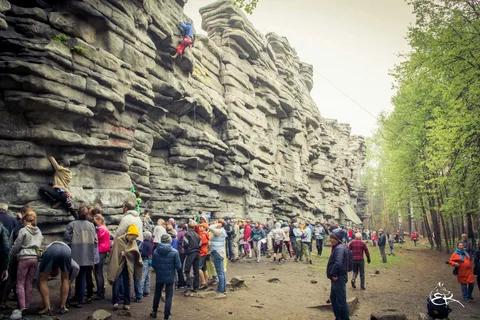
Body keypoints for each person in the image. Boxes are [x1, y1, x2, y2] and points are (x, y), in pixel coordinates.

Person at [9, 210, 43, 318]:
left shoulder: (23, 230)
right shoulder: (39, 231)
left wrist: (11, 255)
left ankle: (22, 307)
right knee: (29, 283)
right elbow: (40, 242)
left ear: (24, 219)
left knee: (20, 283)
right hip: (35, 258)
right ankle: (27, 306)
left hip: (24, 257)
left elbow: (17, 245)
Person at [64, 206, 97, 306]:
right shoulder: (91, 225)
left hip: (74, 254)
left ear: (78, 213)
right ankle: (79, 299)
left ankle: (67, 300)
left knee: (69, 278)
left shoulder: (72, 224)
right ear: (87, 215)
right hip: (87, 255)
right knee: (82, 277)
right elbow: (95, 241)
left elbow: (66, 238)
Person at [108, 224, 143, 310]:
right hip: (118, 264)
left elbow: (135, 254)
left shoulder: (133, 242)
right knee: (116, 281)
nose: (134, 239)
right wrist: (122, 254)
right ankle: (115, 302)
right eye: (133, 236)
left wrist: (127, 253)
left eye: (135, 237)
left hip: (128, 265)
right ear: (128, 234)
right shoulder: (119, 240)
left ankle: (126, 303)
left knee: (127, 283)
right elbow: (114, 254)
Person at [38, 241, 78, 315]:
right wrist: (70, 281)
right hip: (66, 251)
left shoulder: (46, 252)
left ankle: (47, 308)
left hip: (52, 251)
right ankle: (63, 307)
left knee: (42, 280)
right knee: (65, 279)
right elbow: (76, 267)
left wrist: (42, 278)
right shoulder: (68, 255)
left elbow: (39, 275)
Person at [150, 234, 182, 320]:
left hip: (159, 276)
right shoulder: (175, 252)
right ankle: (166, 316)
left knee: (157, 294)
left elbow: (153, 265)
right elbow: (178, 266)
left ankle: (154, 312)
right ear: (169, 240)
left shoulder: (156, 251)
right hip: (170, 277)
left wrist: (159, 270)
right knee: (169, 296)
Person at [327, 228, 350, 320]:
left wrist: (333, 274)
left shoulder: (339, 248)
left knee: (340, 300)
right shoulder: (338, 247)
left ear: (338, 239)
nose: (331, 240)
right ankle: (338, 317)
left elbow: (338, 262)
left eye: (333, 238)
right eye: (331, 237)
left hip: (338, 277)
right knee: (334, 298)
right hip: (337, 277)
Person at [93, 213, 110, 300]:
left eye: (95, 220)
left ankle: (100, 293)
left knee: (98, 272)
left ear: (99, 220)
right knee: (98, 271)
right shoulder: (104, 228)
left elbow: (96, 239)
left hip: (100, 251)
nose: (94, 222)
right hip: (103, 251)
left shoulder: (101, 229)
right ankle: (100, 290)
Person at [210, 220, 227, 298]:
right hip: (219, 252)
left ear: (221, 224)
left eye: (218, 222)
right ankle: (223, 289)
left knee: (220, 272)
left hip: (217, 252)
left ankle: (221, 291)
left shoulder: (219, 231)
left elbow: (210, 228)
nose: (216, 223)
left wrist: (214, 224)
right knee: (222, 272)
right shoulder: (221, 231)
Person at [183, 220, 201, 292]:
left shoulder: (187, 234)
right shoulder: (197, 235)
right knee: (196, 270)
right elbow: (200, 244)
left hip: (191, 253)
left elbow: (185, 244)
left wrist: (186, 250)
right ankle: (196, 287)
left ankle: (189, 286)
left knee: (187, 270)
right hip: (197, 253)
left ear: (188, 226)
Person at [139, 231, 154, 300]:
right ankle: (146, 291)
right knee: (148, 276)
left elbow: (141, 252)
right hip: (150, 260)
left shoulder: (143, 244)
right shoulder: (151, 244)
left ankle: (140, 293)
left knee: (142, 277)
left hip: (144, 260)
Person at [196, 223, 210, 290]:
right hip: (205, 252)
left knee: (198, 268)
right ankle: (206, 282)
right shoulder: (206, 233)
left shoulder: (203, 234)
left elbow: (201, 244)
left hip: (202, 252)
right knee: (204, 268)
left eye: (201, 226)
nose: (199, 227)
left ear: (204, 228)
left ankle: (203, 282)